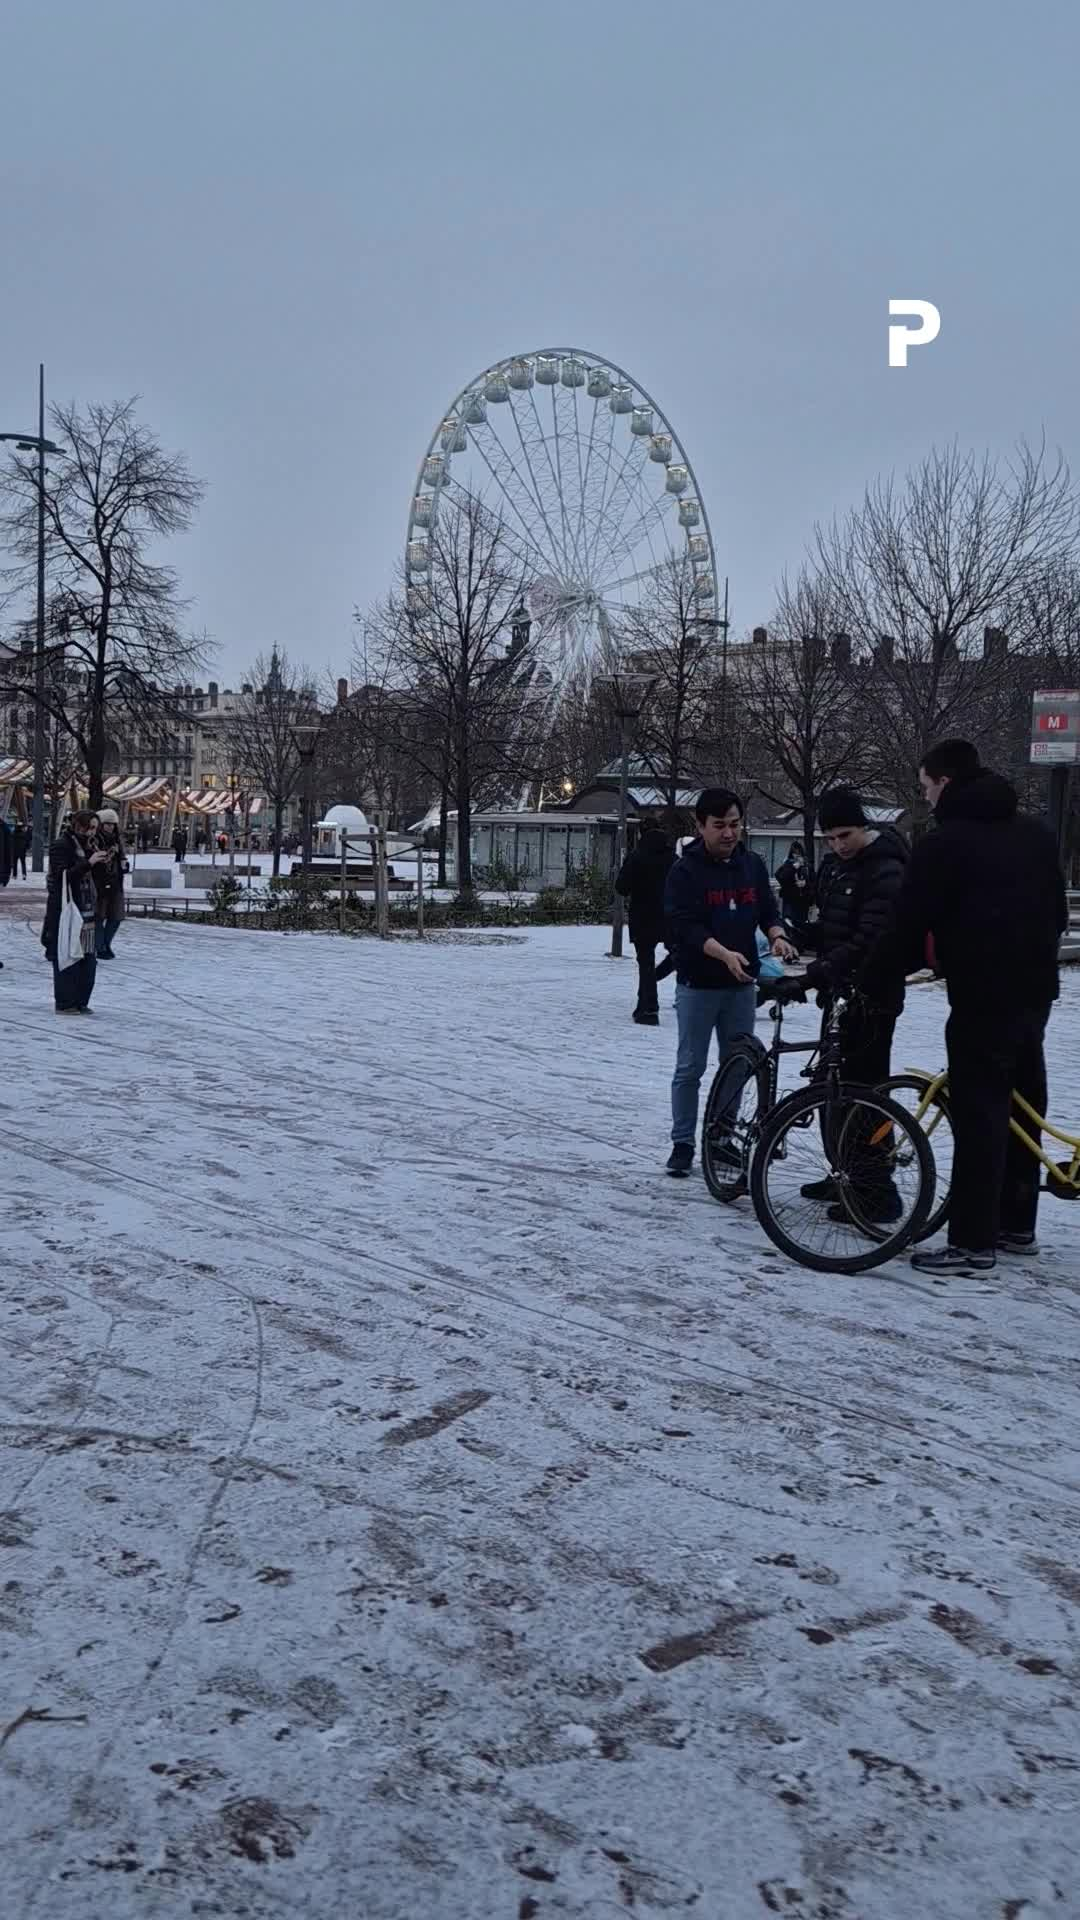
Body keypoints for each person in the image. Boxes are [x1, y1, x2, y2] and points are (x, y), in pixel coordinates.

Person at [862, 739, 1068, 1274]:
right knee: (1026, 1103)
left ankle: (972, 1243)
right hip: (1035, 992)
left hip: (980, 995)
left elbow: (906, 927)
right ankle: (1017, 1224)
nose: (925, 797)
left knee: (980, 1113)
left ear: (945, 782)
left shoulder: (944, 844)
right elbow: (1059, 917)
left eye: (926, 786)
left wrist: (871, 980)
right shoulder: (1037, 834)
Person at [663, 787, 796, 1176]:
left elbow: (768, 910)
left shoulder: (752, 864)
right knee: (690, 1066)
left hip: (741, 986)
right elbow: (685, 926)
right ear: (700, 826)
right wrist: (722, 953)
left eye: (735, 824)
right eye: (719, 825)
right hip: (698, 984)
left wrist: (777, 935)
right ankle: (683, 1143)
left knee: (737, 1064)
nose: (728, 833)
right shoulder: (684, 871)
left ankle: (720, 1137)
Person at [795, 788, 909, 1220]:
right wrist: (796, 936)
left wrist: (815, 972)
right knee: (833, 1087)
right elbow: (830, 925)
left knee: (865, 1093)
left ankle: (876, 1191)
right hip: (841, 993)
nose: (839, 845)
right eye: (830, 838)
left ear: (864, 827)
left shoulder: (885, 868)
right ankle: (843, 1172)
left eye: (845, 834)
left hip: (874, 996)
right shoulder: (834, 867)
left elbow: (870, 939)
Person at [41, 810, 107, 1013]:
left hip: (88, 912)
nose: (92, 832)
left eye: (95, 828)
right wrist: (89, 862)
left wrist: (103, 863)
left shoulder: (90, 846)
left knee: (88, 960)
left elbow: (98, 879)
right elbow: (63, 877)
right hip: (68, 910)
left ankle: (81, 1001)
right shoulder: (62, 845)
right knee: (68, 957)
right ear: (79, 826)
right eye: (90, 828)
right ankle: (65, 1002)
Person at [614, 818, 677, 1025]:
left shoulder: (637, 856)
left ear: (641, 833)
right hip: (670, 915)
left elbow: (621, 887)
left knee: (645, 962)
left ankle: (648, 1008)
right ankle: (660, 993)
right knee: (678, 953)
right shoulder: (673, 857)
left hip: (643, 916)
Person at [93, 807, 128, 958]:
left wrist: (124, 863)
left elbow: (123, 859)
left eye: (113, 824)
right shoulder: (95, 840)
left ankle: (106, 944)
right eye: (107, 824)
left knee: (116, 916)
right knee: (99, 916)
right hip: (99, 883)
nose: (111, 827)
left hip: (115, 883)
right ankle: (100, 947)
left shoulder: (117, 841)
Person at [775, 842, 811, 939]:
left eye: (799, 854)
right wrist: (793, 868)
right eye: (795, 854)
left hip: (803, 898)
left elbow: (813, 880)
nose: (797, 856)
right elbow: (780, 876)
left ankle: (800, 941)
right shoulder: (789, 863)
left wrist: (806, 883)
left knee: (801, 921)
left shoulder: (806, 866)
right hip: (790, 897)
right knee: (788, 920)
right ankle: (789, 939)